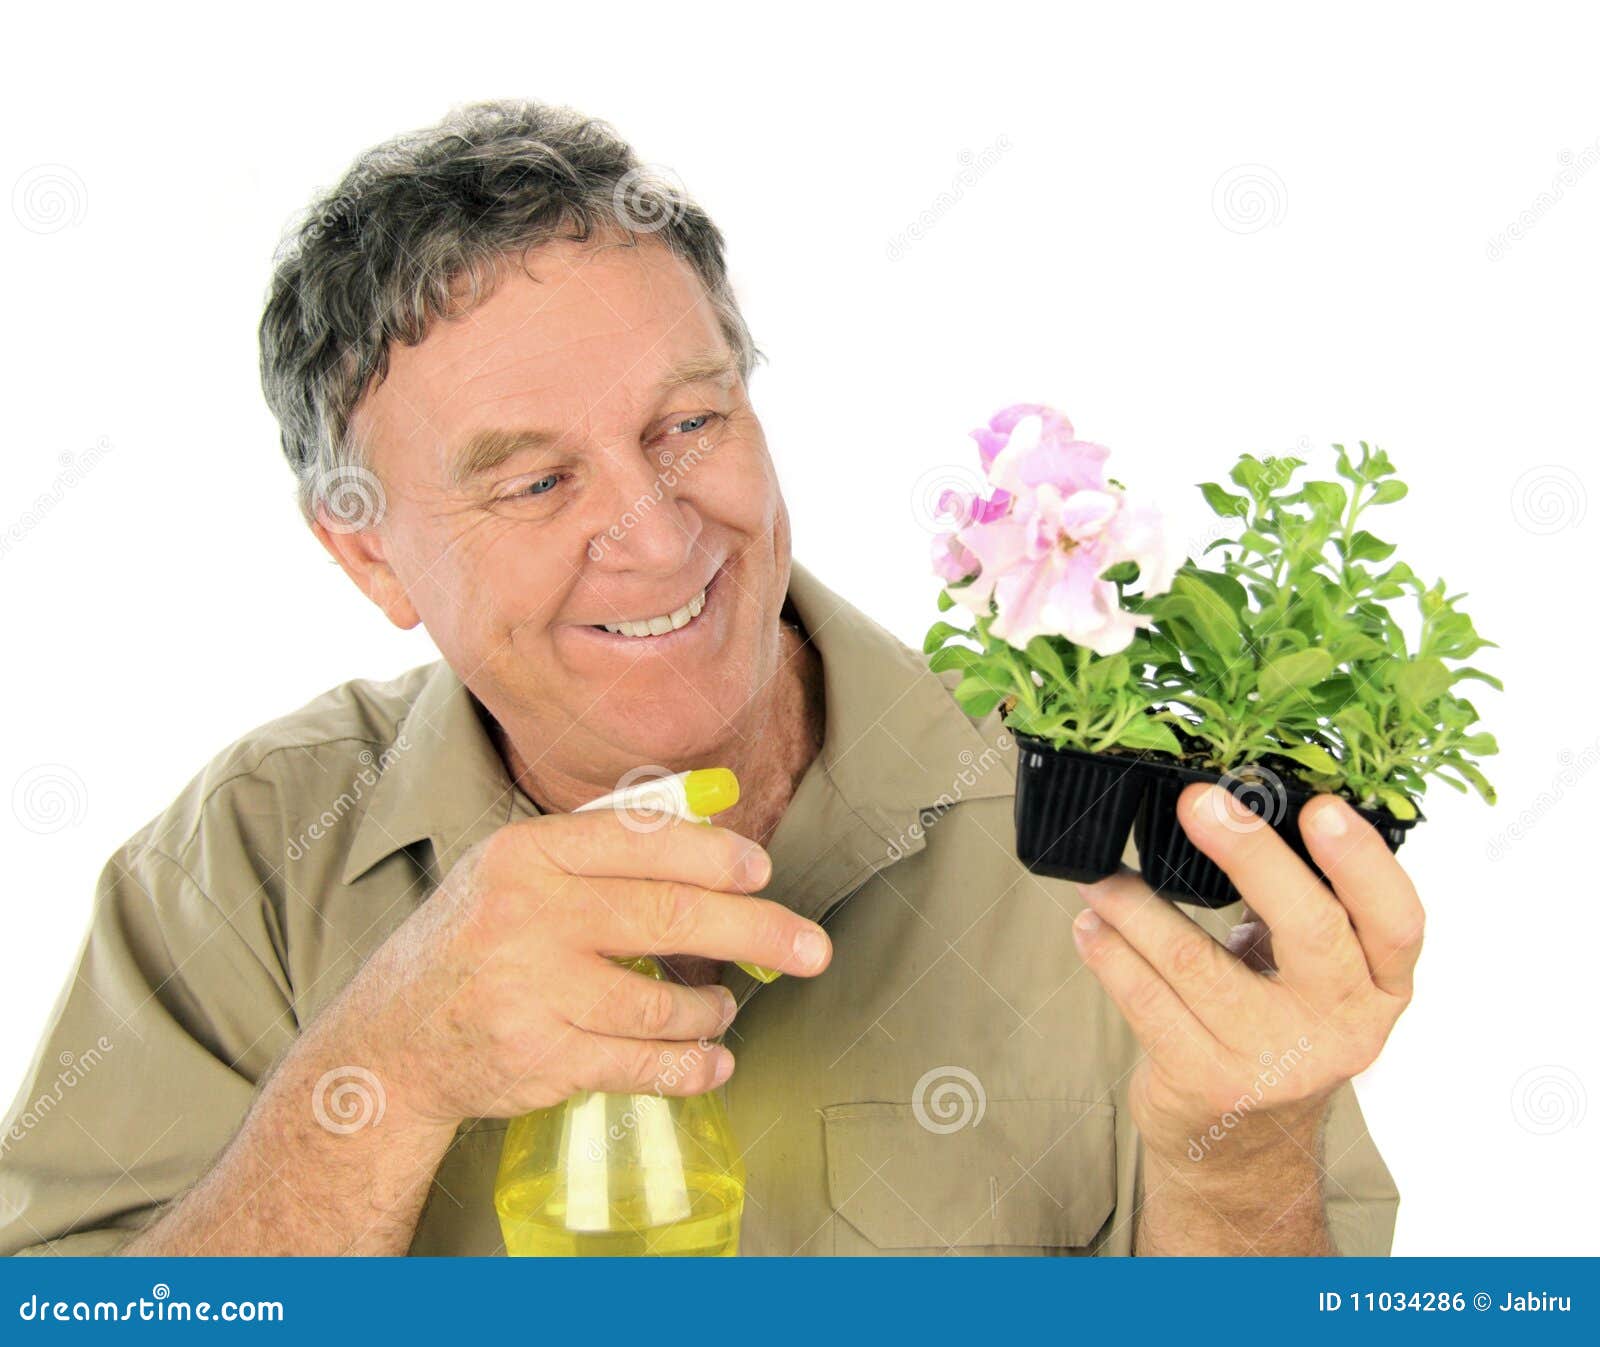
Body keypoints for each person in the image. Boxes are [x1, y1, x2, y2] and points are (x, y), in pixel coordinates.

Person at [0, 100, 1414, 1257]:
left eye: (689, 422)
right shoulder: (244, 864)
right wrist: (387, 1069)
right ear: (367, 559)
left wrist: (1240, 1153)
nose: (662, 533)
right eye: (540, 480)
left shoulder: (1101, 816)